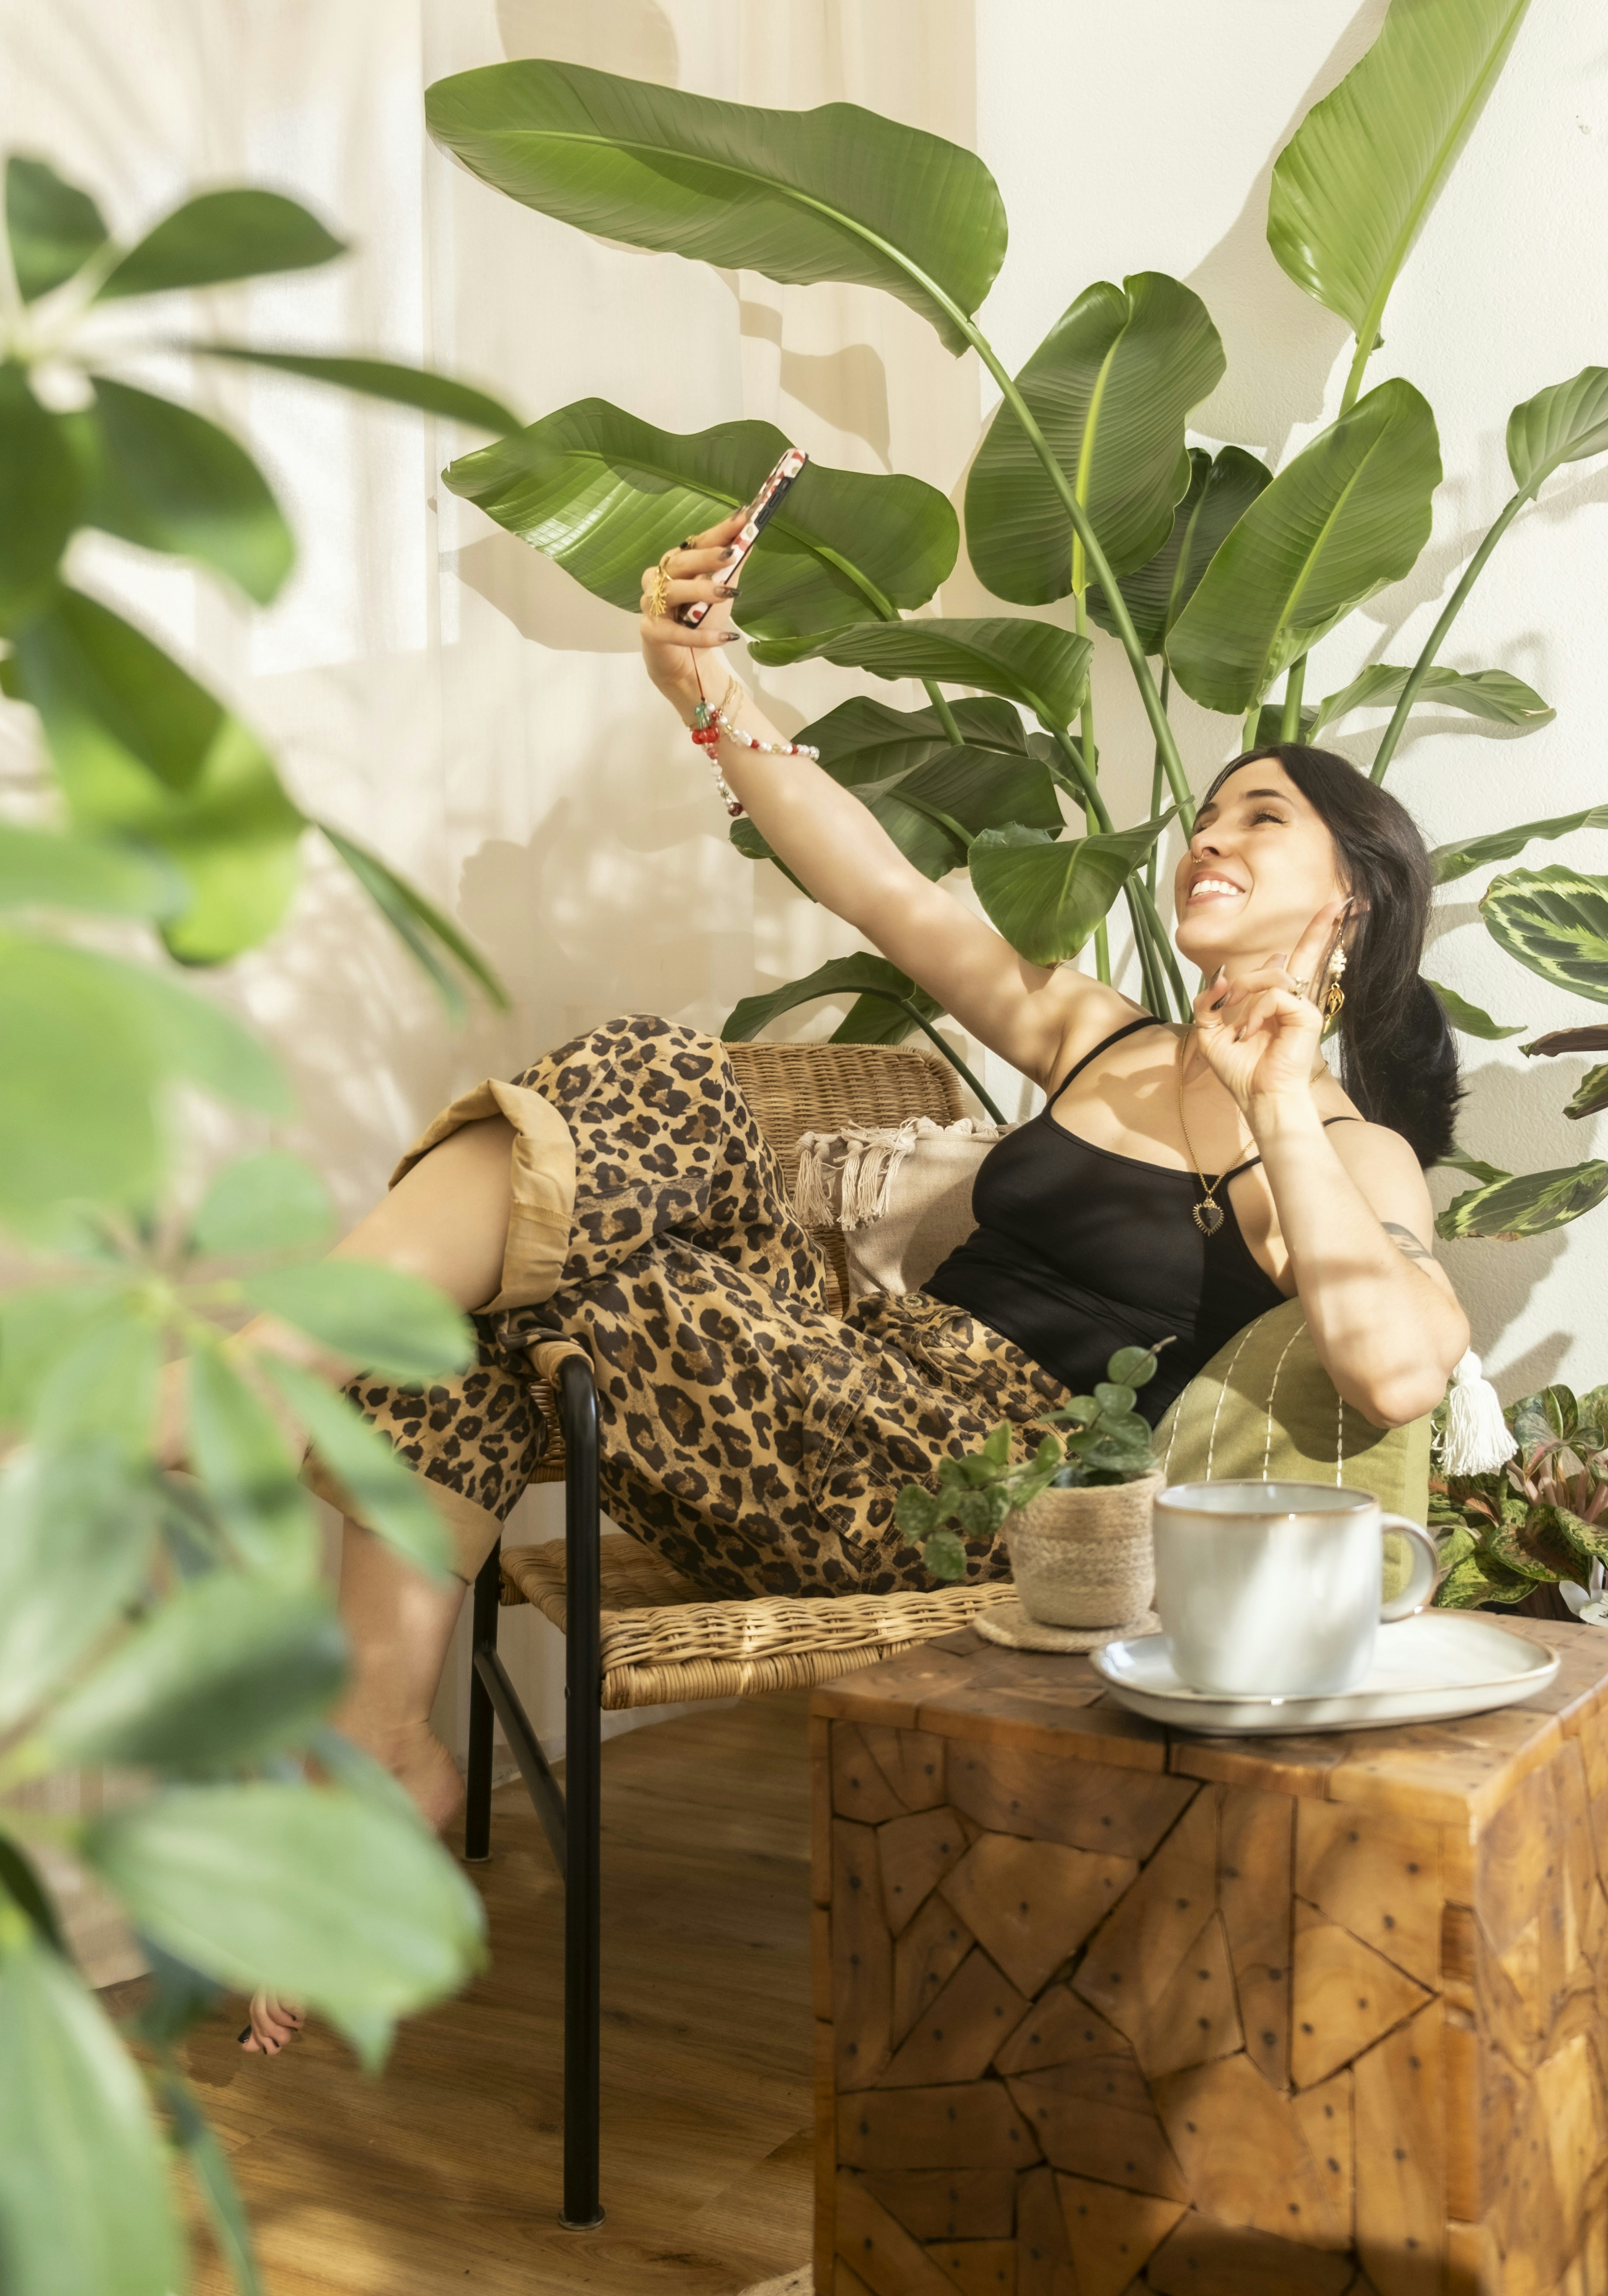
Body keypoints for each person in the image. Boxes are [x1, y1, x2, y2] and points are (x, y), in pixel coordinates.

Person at [235, 507, 1470, 2051]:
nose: (1206, 836)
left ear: (1351, 897)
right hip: (850, 1369)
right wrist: (705, 688)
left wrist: (1279, 1101)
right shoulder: (1103, 1033)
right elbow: (882, 890)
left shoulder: (1350, 1149)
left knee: (543, 1277)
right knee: (638, 1082)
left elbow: (1396, 1367)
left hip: (970, 1491)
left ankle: (260, 1446)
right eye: (1204, 813)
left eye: (1261, 817)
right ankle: (371, 1727)